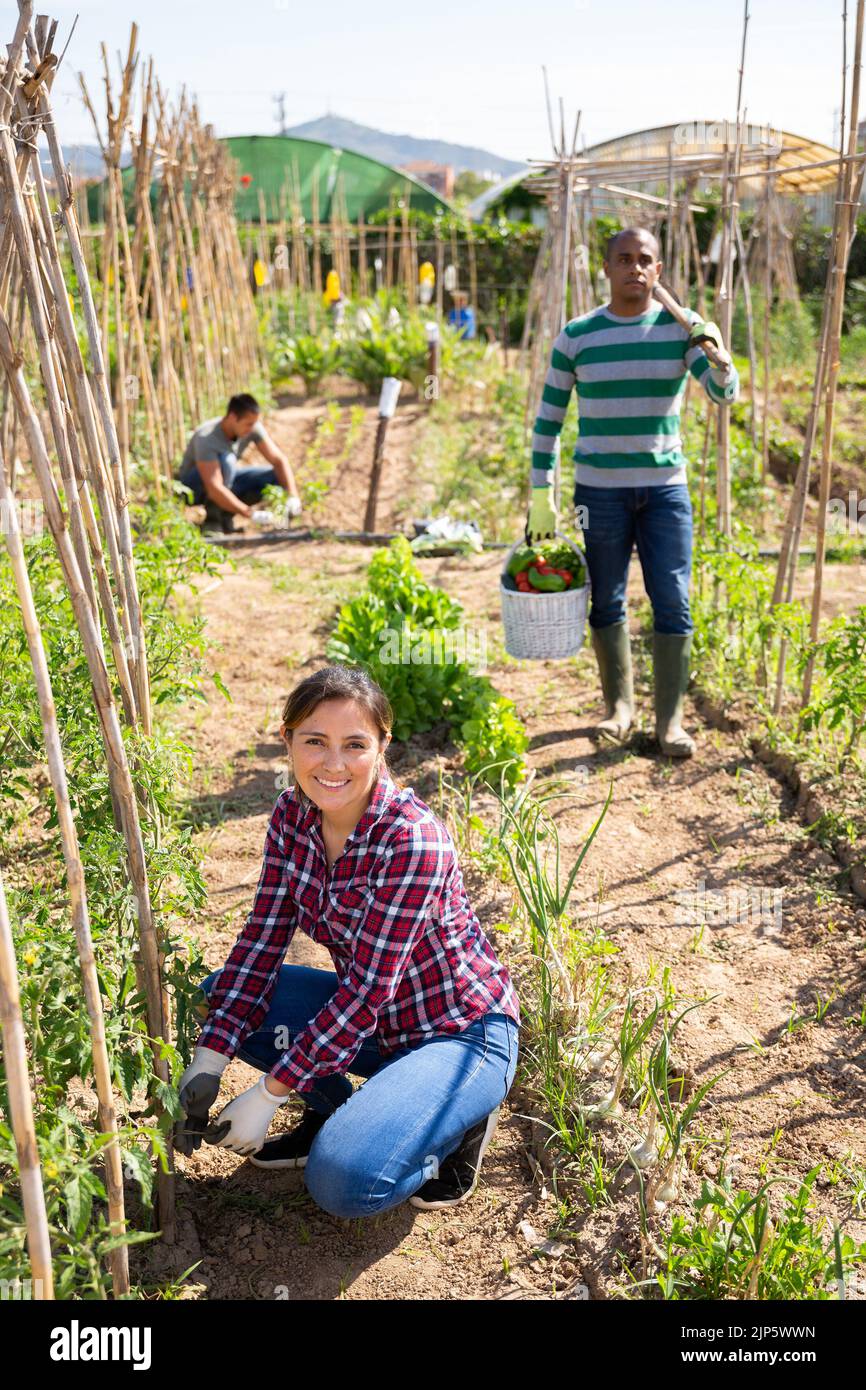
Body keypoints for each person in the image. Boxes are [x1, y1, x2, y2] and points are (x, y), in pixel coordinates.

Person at [175, 664, 520, 1216]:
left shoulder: (412, 843)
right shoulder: (292, 817)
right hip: (378, 1025)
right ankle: (338, 1111)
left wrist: (268, 1094)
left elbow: (364, 995)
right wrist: (208, 1062)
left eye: (354, 744)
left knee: (343, 1183)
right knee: (217, 996)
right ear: (287, 741)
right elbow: (261, 943)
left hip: (459, 1035)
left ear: (382, 746)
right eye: (315, 741)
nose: (333, 764)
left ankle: (454, 1126)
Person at [526, 226, 739, 757]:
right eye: (624, 259)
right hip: (598, 493)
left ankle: (669, 723)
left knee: (673, 599)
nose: (635, 268)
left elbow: (720, 394)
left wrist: (720, 354)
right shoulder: (578, 335)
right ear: (607, 268)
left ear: (659, 271)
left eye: (645, 260)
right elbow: (548, 422)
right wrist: (540, 496)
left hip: (666, 491)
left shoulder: (677, 332)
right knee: (608, 597)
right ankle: (618, 709)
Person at [177, 392, 302, 534]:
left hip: (224, 480)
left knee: (274, 476)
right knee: (227, 462)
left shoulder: (252, 427)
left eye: (254, 424)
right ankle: (213, 520)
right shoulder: (206, 437)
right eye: (248, 424)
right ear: (232, 417)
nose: (251, 429)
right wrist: (250, 513)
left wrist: (293, 496)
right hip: (193, 487)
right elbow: (214, 486)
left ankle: (227, 516)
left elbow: (279, 461)